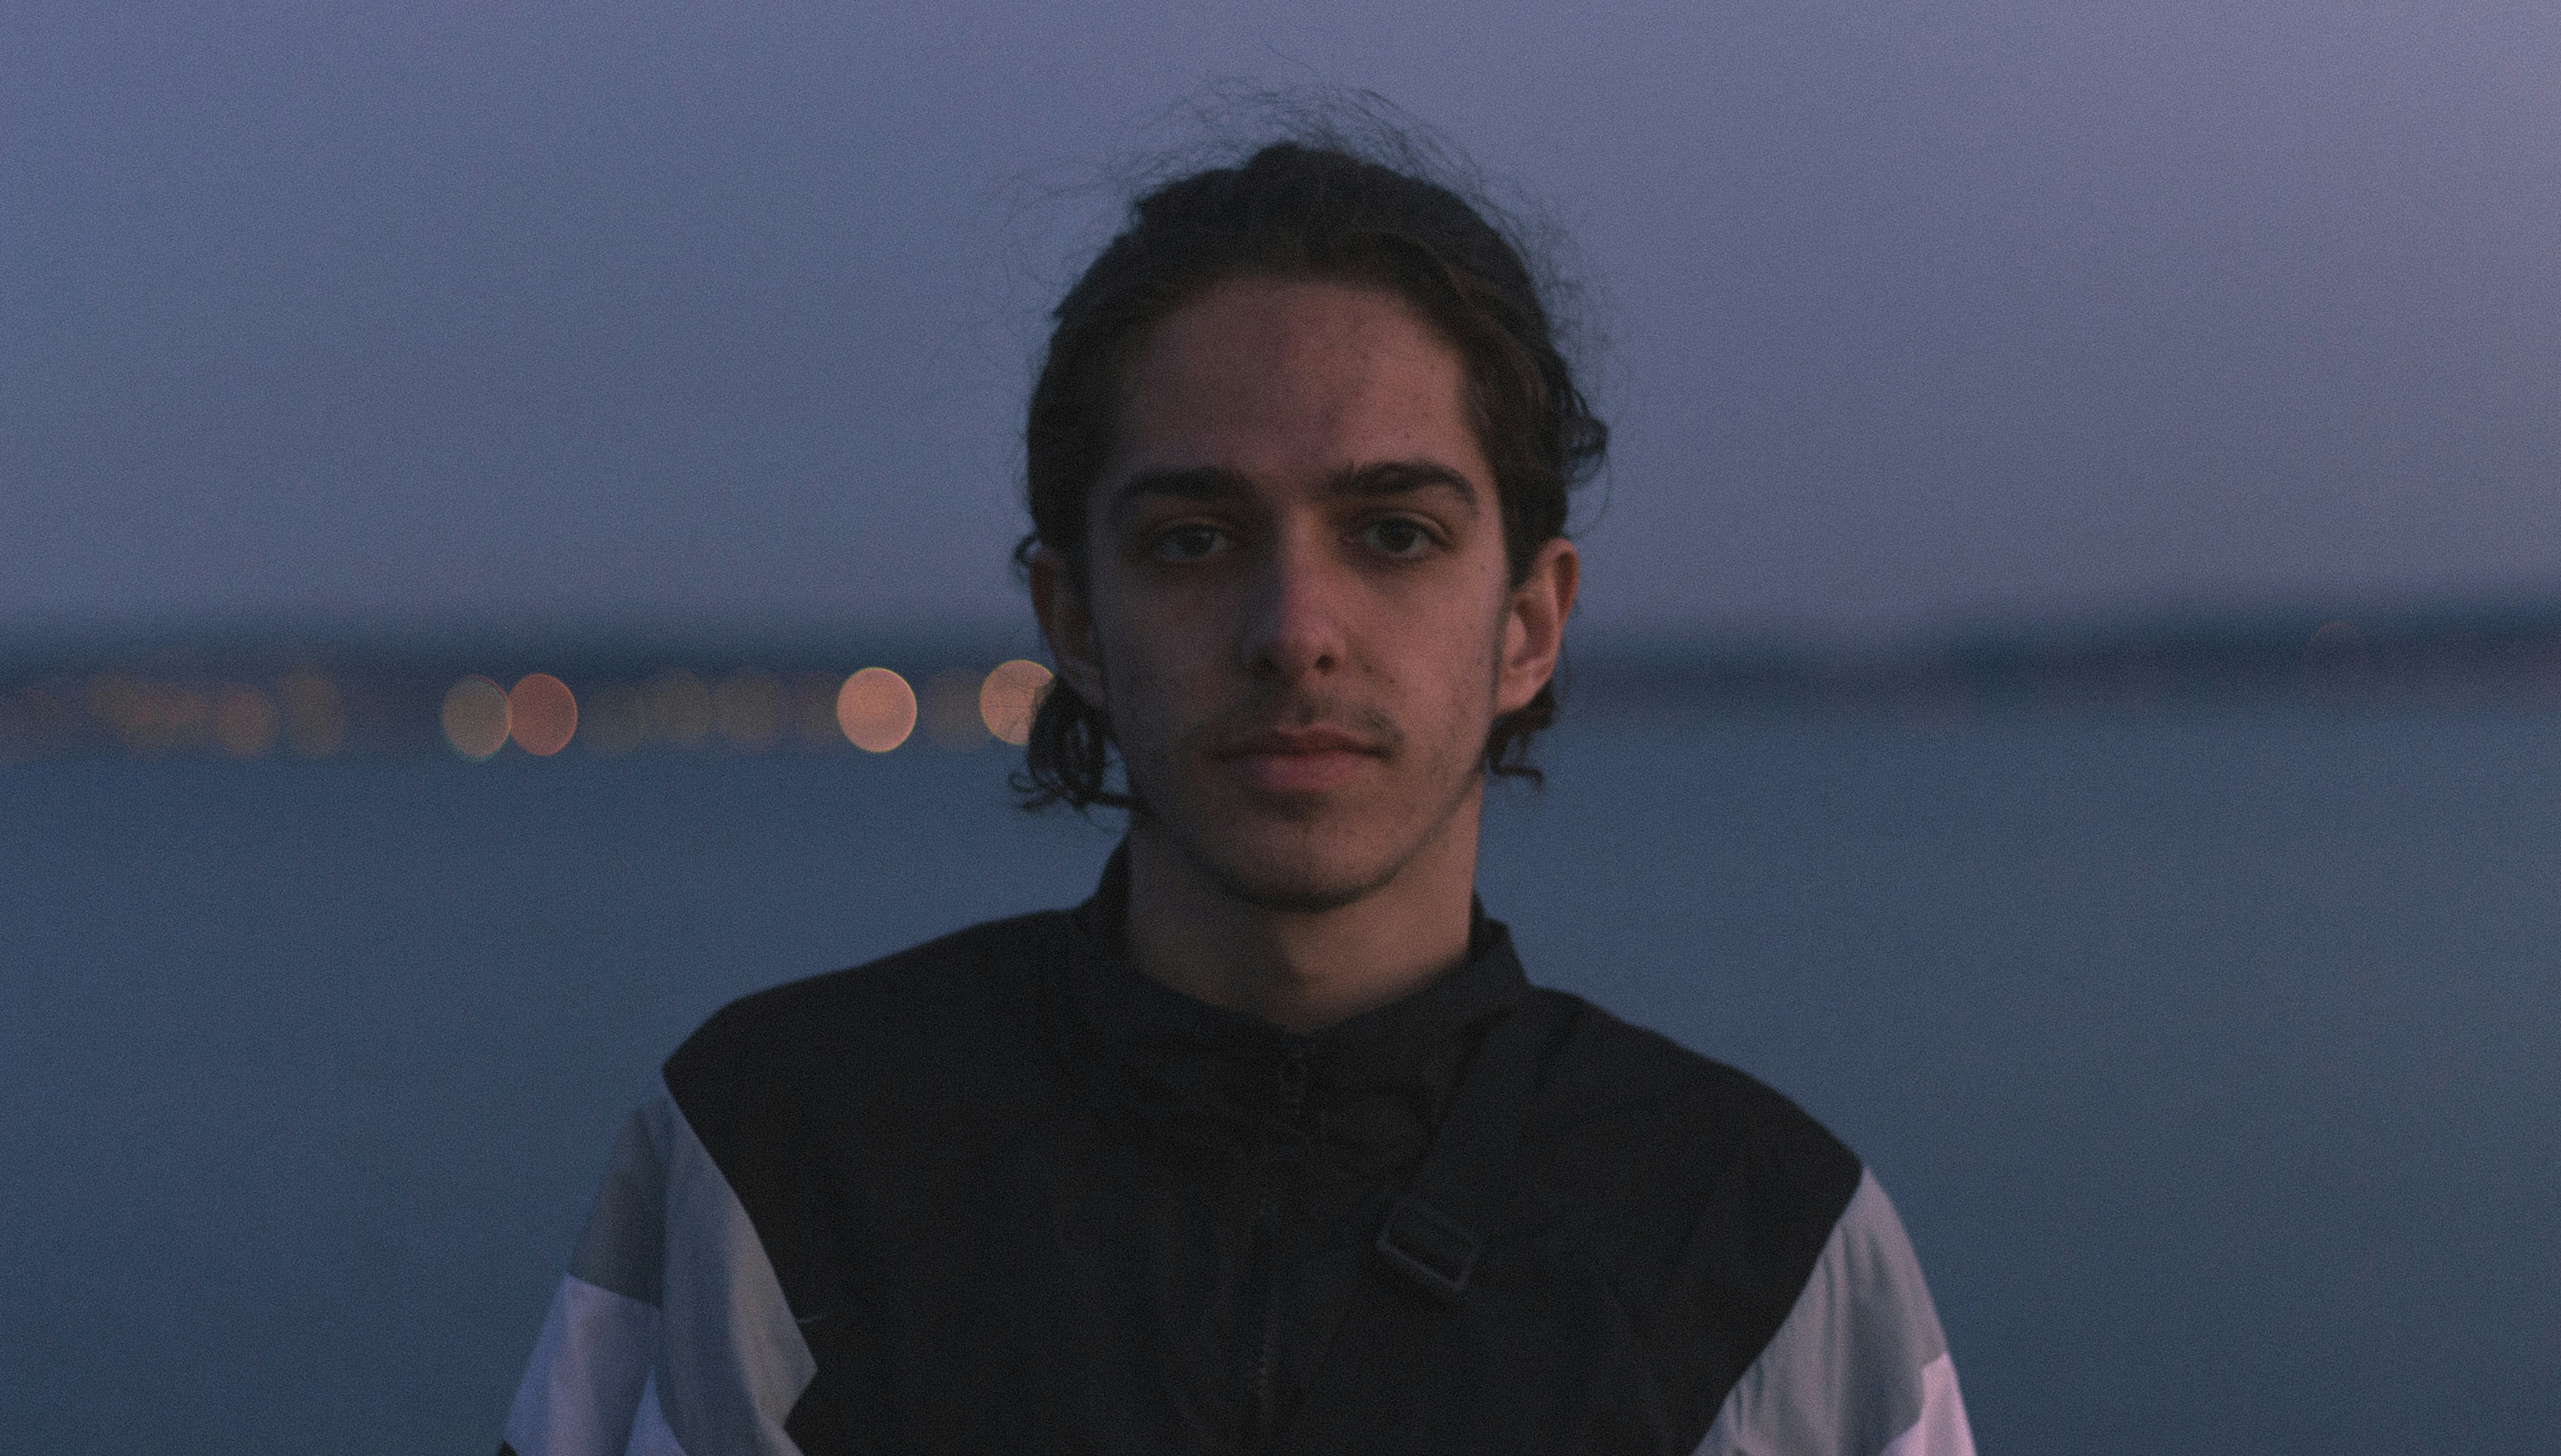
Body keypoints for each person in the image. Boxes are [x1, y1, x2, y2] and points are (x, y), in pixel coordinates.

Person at [498, 139, 1977, 1456]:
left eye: (1394, 533)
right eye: (1195, 540)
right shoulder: (783, 1161)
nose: (1295, 626)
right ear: (1074, 622)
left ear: (1530, 622)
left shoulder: (1759, 1245)